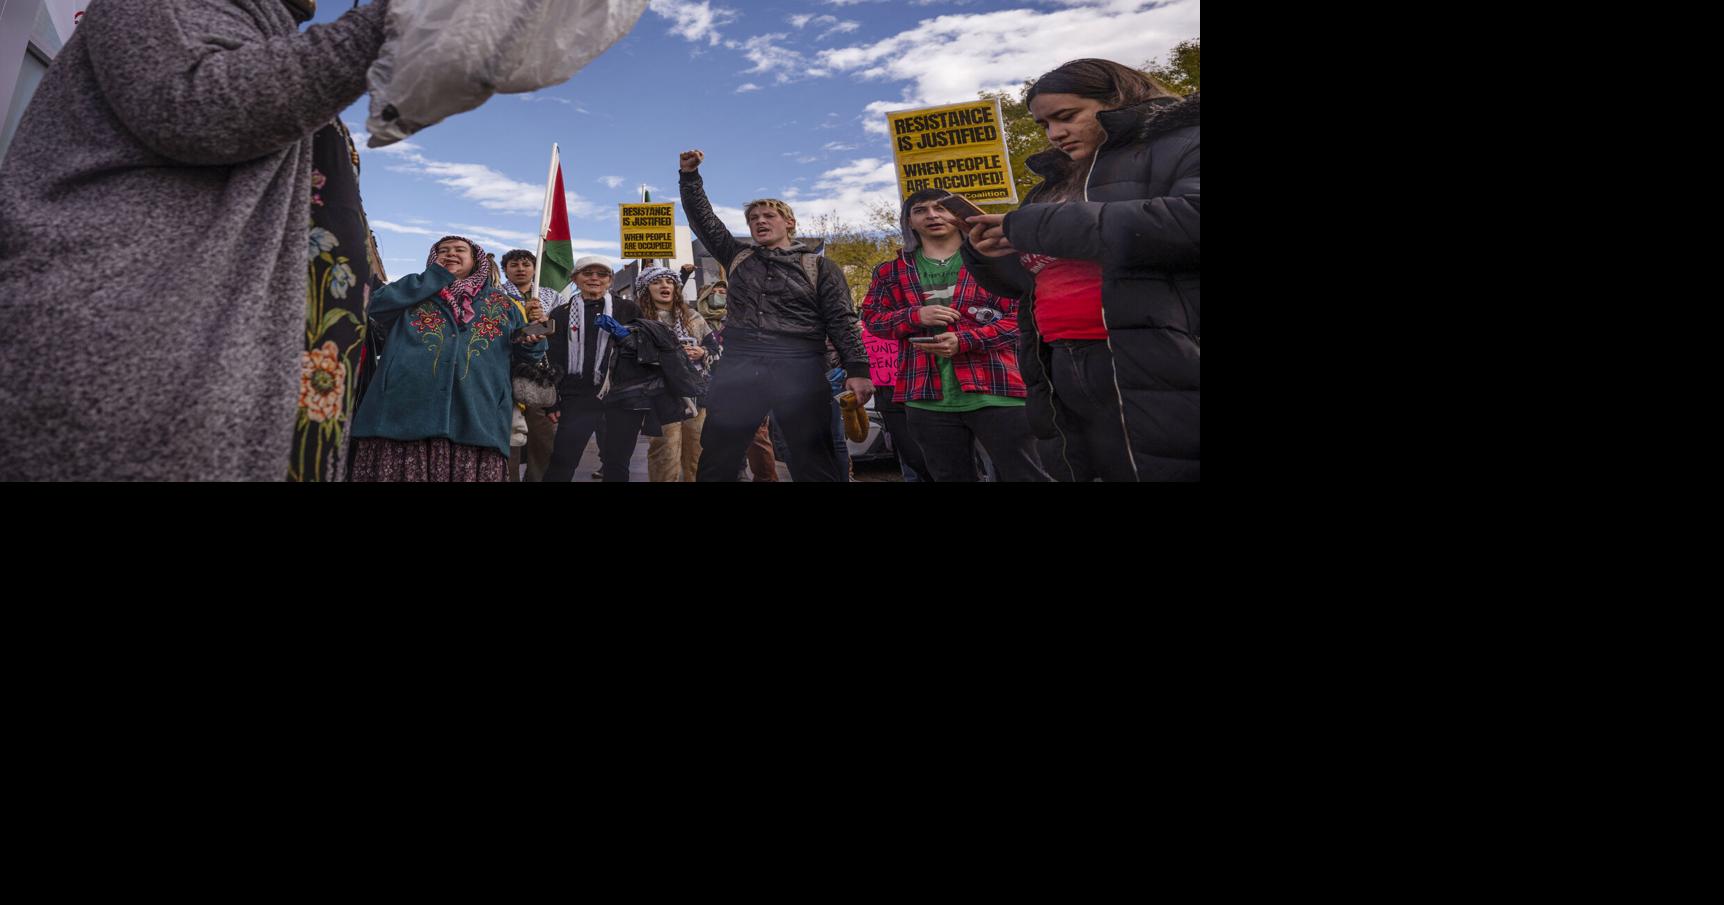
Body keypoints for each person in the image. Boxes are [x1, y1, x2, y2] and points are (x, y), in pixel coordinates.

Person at [0, 0, 391, 480]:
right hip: (136, 363)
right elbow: (195, 104)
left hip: (215, 370)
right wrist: (391, 24)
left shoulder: (259, 32)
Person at [963, 58, 1200, 481]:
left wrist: (1031, 227)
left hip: (1161, 360)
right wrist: (990, 254)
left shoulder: (1185, 143)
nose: (1055, 134)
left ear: (1118, 100)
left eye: (1066, 116)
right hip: (1061, 364)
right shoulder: (1052, 184)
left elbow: (1189, 220)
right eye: (1044, 126)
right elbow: (1029, 285)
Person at [678, 149, 873, 482]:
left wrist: (857, 369)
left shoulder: (820, 267)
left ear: (790, 223)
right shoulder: (737, 256)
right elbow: (704, 220)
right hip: (740, 366)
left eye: (768, 216)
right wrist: (690, 177)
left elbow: (842, 319)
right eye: (754, 218)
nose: (760, 222)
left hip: (800, 365)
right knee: (718, 457)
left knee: (813, 457)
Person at [864, 190, 1047, 481]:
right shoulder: (891, 271)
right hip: (925, 395)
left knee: (1025, 474)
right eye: (921, 210)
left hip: (998, 389)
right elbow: (872, 319)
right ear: (909, 222)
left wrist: (967, 340)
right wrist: (915, 316)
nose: (933, 215)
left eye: (941, 208)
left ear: (959, 215)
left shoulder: (997, 259)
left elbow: (1027, 314)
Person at [348, 236, 548, 481]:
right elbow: (372, 306)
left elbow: (525, 356)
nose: (450, 253)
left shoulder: (504, 304)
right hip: (402, 413)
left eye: (459, 250)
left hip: (477, 417)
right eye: (443, 250)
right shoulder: (412, 291)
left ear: (476, 260)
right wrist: (434, 278)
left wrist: (534, 342)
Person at [542, 257, 644, 482]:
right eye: (587, 273)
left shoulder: (628, 309)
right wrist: (552, 402)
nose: (594, 278)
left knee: (617, 464)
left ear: (610, 280)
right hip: (577, 398)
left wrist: (625, 336)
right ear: (575, 279)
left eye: (602, 274)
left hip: (621, 398)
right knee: (562, 461)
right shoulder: (560, 313)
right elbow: (551, 357)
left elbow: (642, 350)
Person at [640, 268, 715, 482]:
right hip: (661, 394)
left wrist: (703, 352)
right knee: (665, 453)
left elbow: (714, 347)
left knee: (696, 452)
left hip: (695, 394)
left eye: (669, 282)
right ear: (646, 289)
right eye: (657, 282)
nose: (665, 286)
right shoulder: (641, 319)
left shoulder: (693, 316)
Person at [498, 249, 562, 481]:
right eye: (514, 265)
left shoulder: (552, 296)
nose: (520, 269)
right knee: (509, 440)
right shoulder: (497, 296)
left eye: (526, 264)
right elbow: (502, 335)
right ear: (506, 270)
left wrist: (543, 322)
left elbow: (559, 331)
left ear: (534, 269)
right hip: (504, 375)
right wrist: (523, 319)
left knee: (543, 441)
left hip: (537, 376)